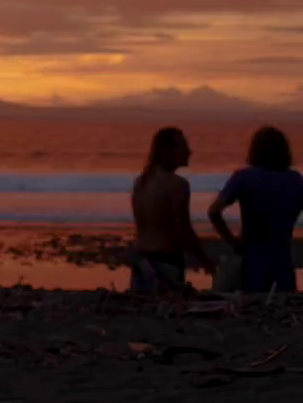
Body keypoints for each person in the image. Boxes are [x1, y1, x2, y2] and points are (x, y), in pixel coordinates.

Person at [208, 126, 303, 298]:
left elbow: (214, 211)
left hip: (253, 259)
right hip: (283, 259)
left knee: (252, 304)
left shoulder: (243, 178)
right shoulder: (296, 180)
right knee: (282, 305)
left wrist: (231, 240)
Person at [130, 126, 213, 291]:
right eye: (183, 147)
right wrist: (206, 261)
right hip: (166, 262)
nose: (189, 152)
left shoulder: (141, 182)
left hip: (141, 262)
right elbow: (184, 230)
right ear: (167, 151)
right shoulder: (177, 184)